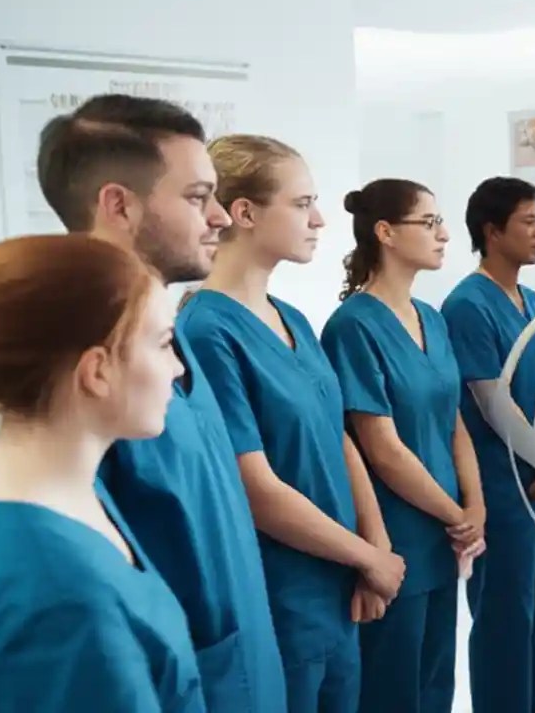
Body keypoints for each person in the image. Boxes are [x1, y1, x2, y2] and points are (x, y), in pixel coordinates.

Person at [36, 94, 288, 712]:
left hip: (246, 667)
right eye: (198, 197)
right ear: (118, 204)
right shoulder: (80, 374)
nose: (223, 218)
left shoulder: (168, 345)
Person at [181, 135, 405, 712]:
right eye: (303, 204)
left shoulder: (294, 319)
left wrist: (375, 548)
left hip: (340, 588)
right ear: (245, 213)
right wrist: (366, 558)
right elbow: (255, 488)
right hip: (285, 596)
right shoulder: (207, 330)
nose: (321, 219)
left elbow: (339, 438)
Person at [0, 235, 201, 711]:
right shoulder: (67, 602)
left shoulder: (6, 483)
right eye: (163, 343)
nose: (177, 368)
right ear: (97, 371)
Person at [320, 178, 485, 713]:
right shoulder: (353, 327)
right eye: (430, 222)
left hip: (443, 537)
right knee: (393, 692)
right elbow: (382, 448)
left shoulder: (431, 319)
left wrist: (474, 506)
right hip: (398, 536)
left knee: (436, 685)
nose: (443, 235)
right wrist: (453, 512)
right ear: (386, 232)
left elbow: (452, 420)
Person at [440, 176, 535, 713]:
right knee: (504, 628)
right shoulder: (468, 306)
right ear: (493, 232)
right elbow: (494, 407)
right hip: (503, 493)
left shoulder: (534, 302)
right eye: (528, 221)